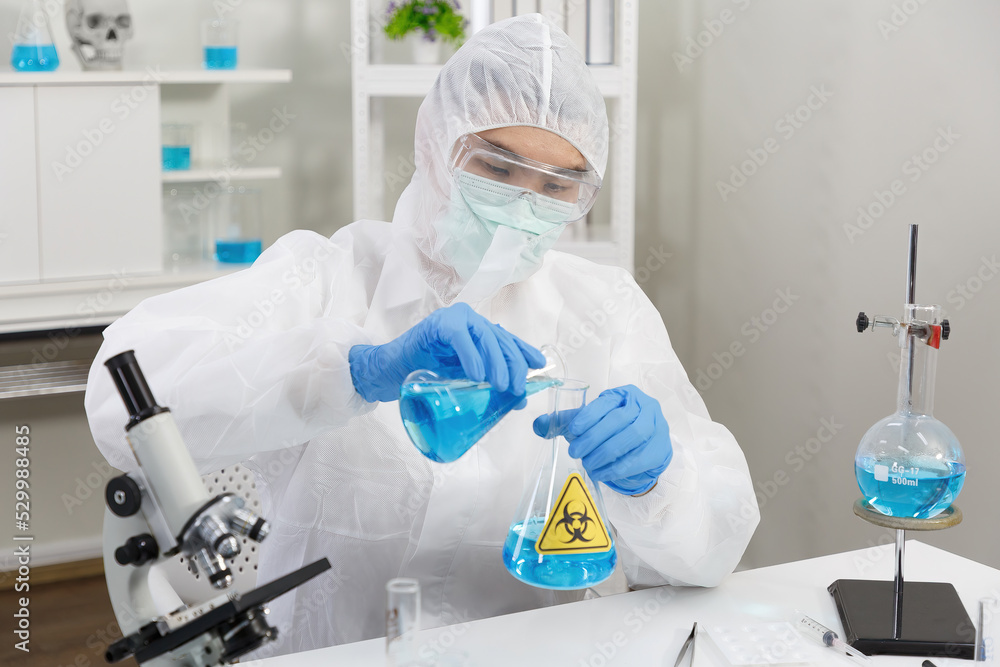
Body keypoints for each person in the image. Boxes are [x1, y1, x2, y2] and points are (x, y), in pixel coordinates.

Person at [85, 14, 758, 657]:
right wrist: (356, 369)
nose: (524, 203)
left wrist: (657, 484)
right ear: (437, 144)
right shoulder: (328, 278)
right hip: (332, 657)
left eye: (557, 184)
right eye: (497, 168)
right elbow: (120, 394)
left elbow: (715, 547)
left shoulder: (605, 310)